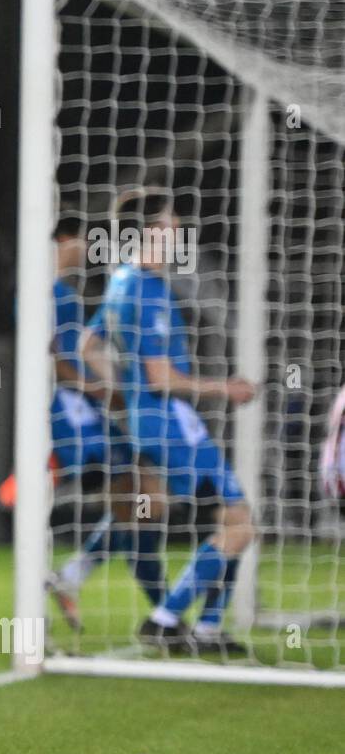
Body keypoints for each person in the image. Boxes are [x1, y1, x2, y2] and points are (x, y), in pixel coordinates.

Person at [82, 189, 258, 655]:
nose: (178, 232)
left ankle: (206, 629)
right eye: (170, 225)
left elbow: (88, 346)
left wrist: (119, 392)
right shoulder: (148, 289)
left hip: (150, 422)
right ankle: (165, 619)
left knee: (231, 521)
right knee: (239, 524)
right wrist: (227, 389)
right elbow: (161, 377)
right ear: (150, 232)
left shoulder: (120, 283)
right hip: (172, 423)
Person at [45, 216, 168, 631]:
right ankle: (167, 612)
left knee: (140, 505)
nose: (87, 249)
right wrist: (93, 388)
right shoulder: (43, 292)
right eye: (83, 240)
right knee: (138, 502)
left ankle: (76, 578)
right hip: (73, 415)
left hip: (92, 409)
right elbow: (47, 358)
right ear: (65, 239)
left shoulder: (67, 294)